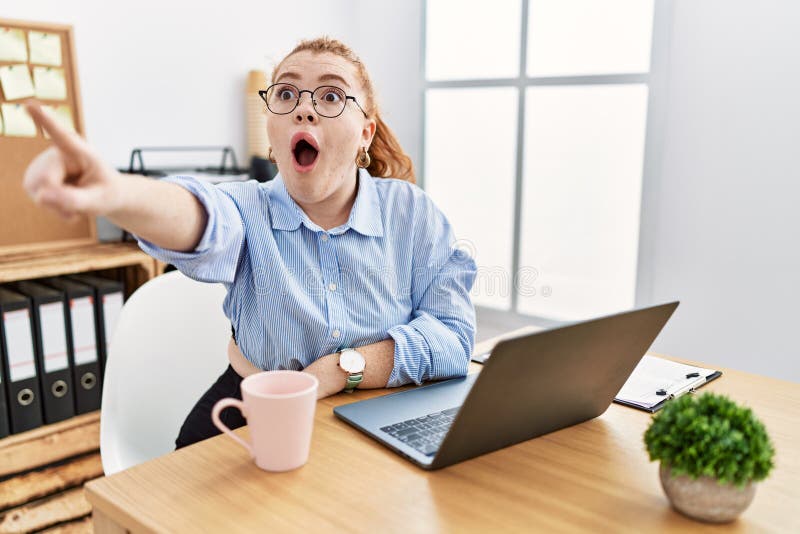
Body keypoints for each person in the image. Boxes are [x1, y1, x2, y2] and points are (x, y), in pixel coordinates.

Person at [22, 36, 477, 449]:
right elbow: (200, 217)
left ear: (365, 132)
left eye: (332, 95)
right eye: (286, 94)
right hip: (250, 411)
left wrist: (341, 370)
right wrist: (119, 192)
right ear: (272, 133)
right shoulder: (244, 209)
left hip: (380, 411)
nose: (304, 108)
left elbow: (453, 338)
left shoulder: (414, 215)